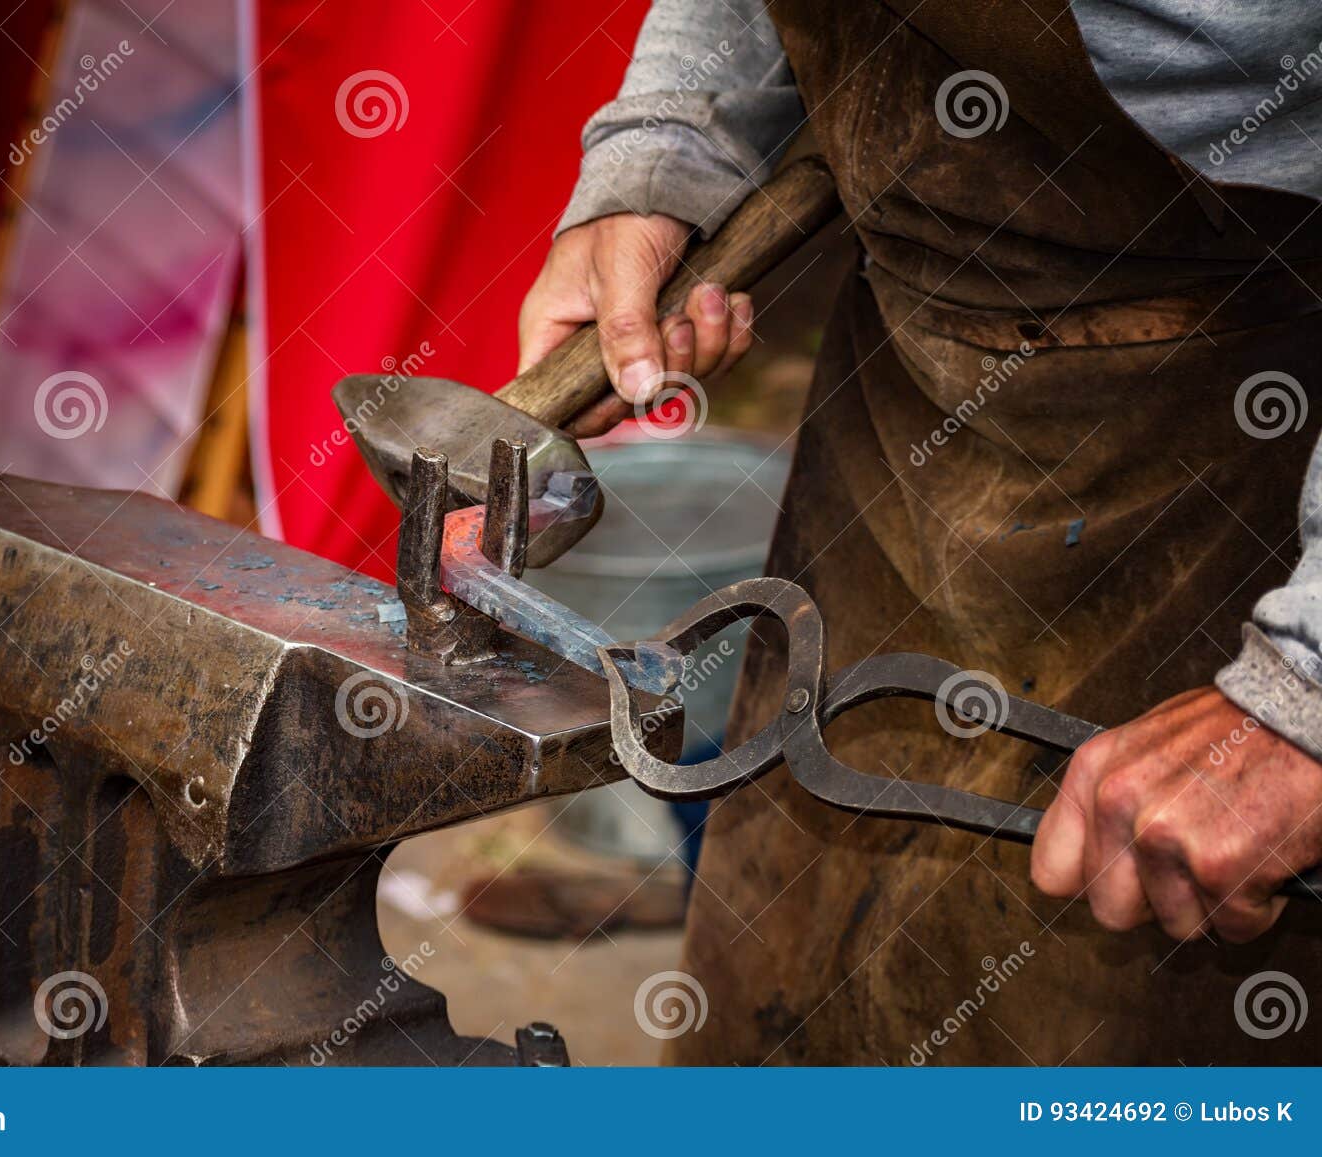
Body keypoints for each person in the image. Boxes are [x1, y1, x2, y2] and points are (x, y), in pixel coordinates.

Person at [521, 0, 1322, 1064]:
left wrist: (1304, 690)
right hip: (893, 431)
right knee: (777, 1033)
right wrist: (663, 145)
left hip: (1223, 477)